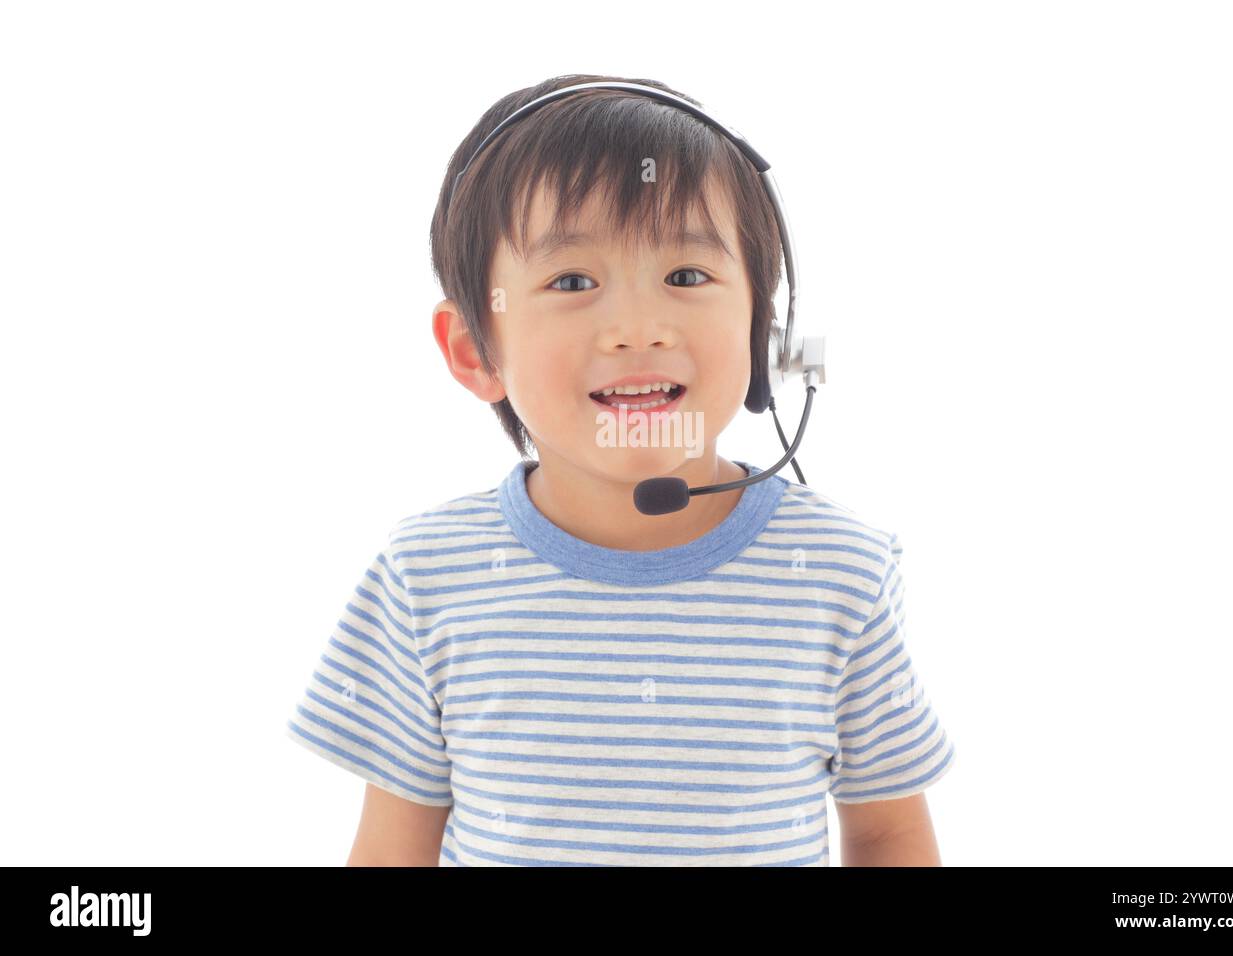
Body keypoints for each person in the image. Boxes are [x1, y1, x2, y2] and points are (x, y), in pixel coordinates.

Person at [285, 73, 956, 866]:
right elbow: (392, 850)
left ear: (764, 336)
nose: (638, 328)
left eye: (687, 276)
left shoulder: (843, 571)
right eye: (573, 281)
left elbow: (886, 834)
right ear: (475, 349)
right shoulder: (426, 574)